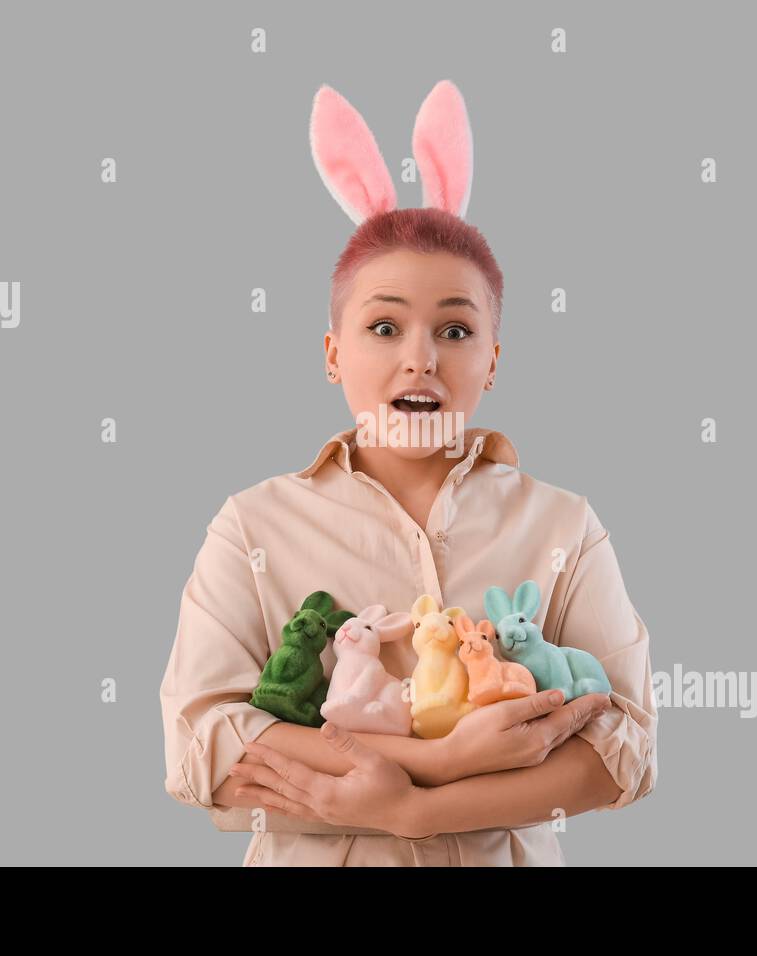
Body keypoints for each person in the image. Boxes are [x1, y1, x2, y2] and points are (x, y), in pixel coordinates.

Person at [158, 80, 657, 866]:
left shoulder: (565, 528)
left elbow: (621, 749)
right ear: (333, 354)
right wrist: (442, 765)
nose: (419, 356)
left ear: (492, 359)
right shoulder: (252, 526)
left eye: (455, 329)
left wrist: (416, 814)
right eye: (384, 325)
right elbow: (204, 750)